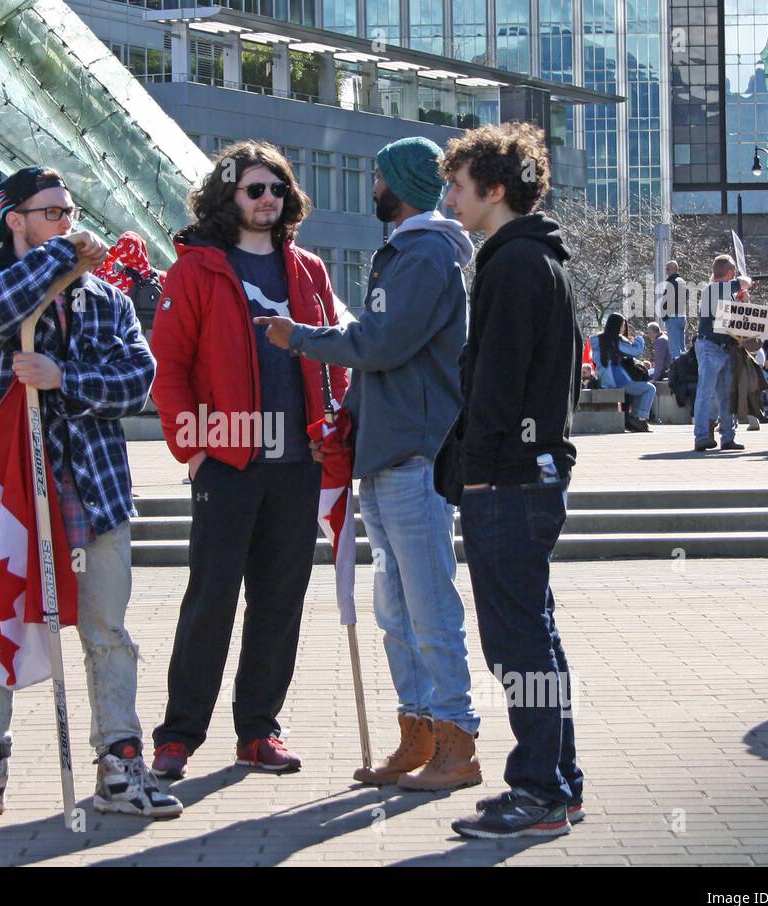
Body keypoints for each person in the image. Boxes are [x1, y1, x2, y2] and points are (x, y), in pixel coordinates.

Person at [0, 164, 180, 820]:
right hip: (9, 490)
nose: (67, 225)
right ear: (14, 219)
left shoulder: (103, 297)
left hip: (92, 485)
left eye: (70, 215)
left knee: (108, 629)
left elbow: (138, 378)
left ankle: (119, 764)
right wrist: (54, 259)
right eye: (50, 214)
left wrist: (63, 377)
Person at [255, 136, 479, 790]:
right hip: (390, 452)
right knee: (397, 608)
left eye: (378, 175)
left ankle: (456, 740)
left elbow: (383, 343)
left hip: (416, 452)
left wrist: (298, 336)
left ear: (401, 182)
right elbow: (388, 359)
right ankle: (419, 731)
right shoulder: (410, 252)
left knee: (428, 602)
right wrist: (350, 419)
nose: (372, 186)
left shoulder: (424, 254)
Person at [149, 140, 347, 780]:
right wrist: (195, 447)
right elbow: (169, 370)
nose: (268, 200)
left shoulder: (310, 271)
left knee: (280, 601)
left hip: (300, 462)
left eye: (277, 190)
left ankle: (258, 731)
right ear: (226, 197)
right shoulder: (196, 270)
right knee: (210, 598)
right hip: (227, 461)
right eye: (254, 190)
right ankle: (179, 734)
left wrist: (334, 427)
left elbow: (333, 354)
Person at [436, 121, 584, 838]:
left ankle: (540, 794)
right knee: (534, 635)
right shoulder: (539, 259)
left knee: (517, 641)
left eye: (458, 187)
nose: (450, 199)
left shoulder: (513, 264)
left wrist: (477, 467)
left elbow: (495, 383)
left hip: (509, 480)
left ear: (495, 190)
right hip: (530, 473)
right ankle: (558, 782)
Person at [692, 255, 751, 452]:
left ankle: (728, 436)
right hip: (711, 346)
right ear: (730, 273)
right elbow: (743, 282)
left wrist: (742, 302)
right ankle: (701, 436)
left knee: (726, 395)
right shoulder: (713, 289)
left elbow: (735, 321)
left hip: (724, 347)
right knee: (706, 393)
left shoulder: (723, 292)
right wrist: (746, 283)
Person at [590, 313, 654, 432]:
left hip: (603, 379)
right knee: (650, 389)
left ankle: (632, 418)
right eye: (622, 325)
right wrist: (639, 338)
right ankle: (639, 418)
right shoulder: (617, 341)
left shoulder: (596, 340)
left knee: (632, 391)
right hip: (617, 379)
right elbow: (636, 350)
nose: (624, 328)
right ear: (617, 326)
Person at [657, 259, 687, 358]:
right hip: (682, 316)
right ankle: (684, 367)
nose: (666, 271)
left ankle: (677, 370)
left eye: (667, 269)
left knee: (674, 348)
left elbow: (667, 301)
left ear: (672, 270)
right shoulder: (682, 282)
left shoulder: (671, 282)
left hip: (672, 317)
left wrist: (664, 315)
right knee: (682, 346)